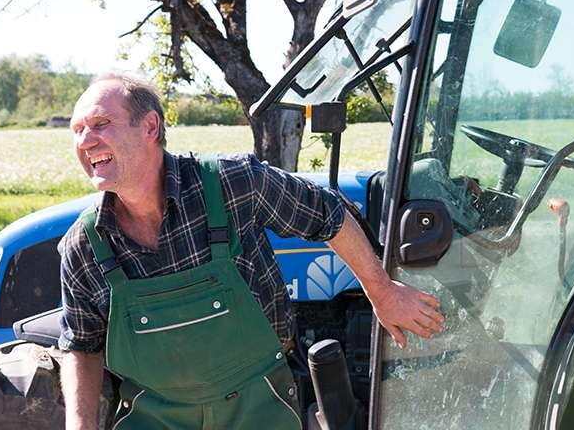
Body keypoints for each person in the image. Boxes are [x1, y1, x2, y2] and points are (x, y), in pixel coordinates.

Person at [59, 73, 445, 430]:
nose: (85, 140)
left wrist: (382, 292)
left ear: (150, 127)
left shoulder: (232, 185)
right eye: (77, 130)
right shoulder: (84, 245)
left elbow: (328, 214)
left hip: (259, 407)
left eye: (100, 124)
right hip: (156, 417)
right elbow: (82, 346)